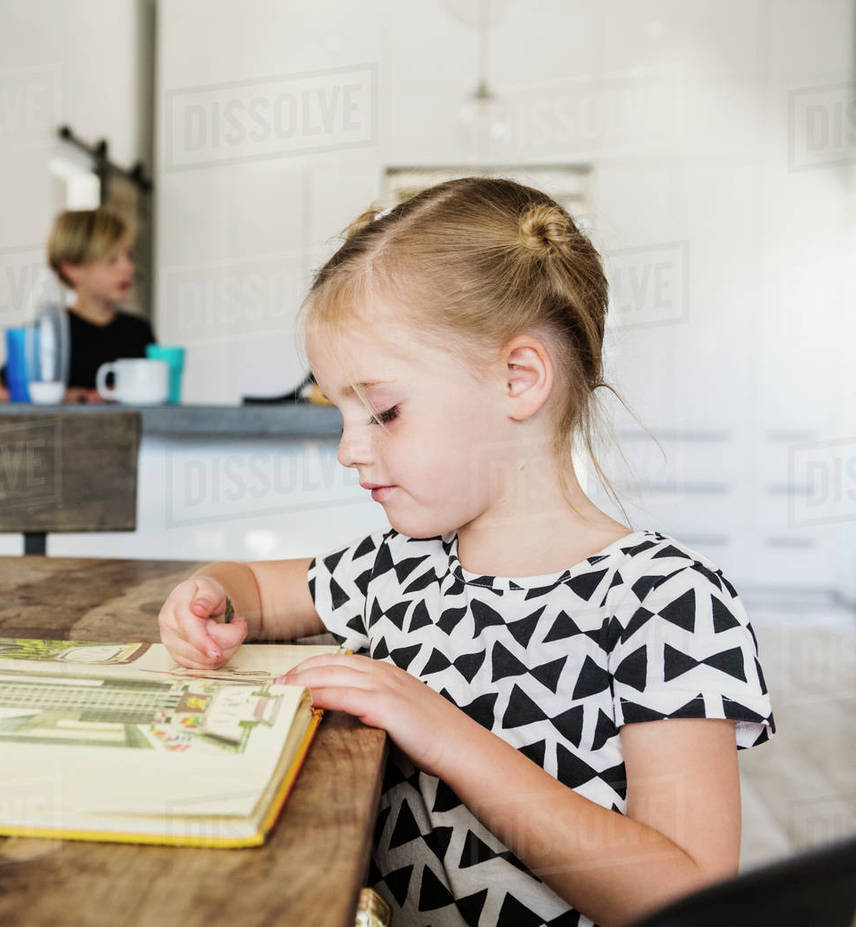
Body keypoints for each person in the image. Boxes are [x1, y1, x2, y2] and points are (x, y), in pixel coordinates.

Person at [156, 178, 775, 927]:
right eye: (342, 415)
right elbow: (253, 587)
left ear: (519, 379)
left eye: (383, 410)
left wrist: (443, 728)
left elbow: (689, 902)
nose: (351, 449)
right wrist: (206, 596)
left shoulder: (668, 605)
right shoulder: (400, 566)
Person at [0, 207, 153, 403]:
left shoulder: (138, 331)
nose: (127, 267)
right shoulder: (48, 331)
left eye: (129, 256)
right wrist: (75, 398)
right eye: (111, 260)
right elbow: (0, 393)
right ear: (71, 269)